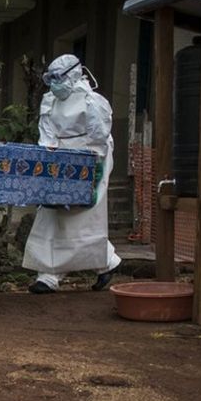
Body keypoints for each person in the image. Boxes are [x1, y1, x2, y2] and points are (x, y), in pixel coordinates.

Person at [23, 54, 121, 293]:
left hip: (88, 158)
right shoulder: (50, 101)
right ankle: (48, 275)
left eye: (59, 77)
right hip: (60, 160)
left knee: (81, 216)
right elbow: (46, 134)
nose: (55, 83)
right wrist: (48, 161)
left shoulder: (93, 101)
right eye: (51, 78)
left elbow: (98, 137)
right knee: (50, 214)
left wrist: (90, 168)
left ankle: (104, 263)